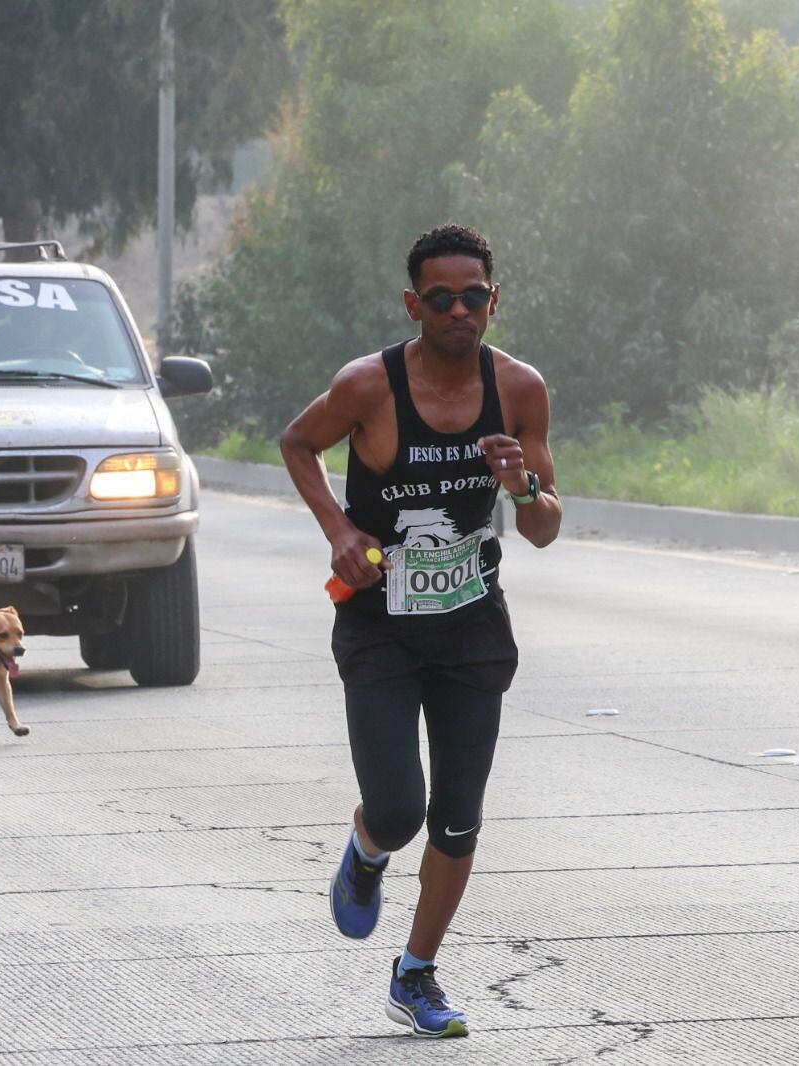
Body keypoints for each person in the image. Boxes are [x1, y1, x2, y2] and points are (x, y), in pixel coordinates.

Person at [279, 224, 562, 1038]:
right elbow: (299, 443)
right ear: (414, 303)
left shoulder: (520, 390)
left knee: (459, 814)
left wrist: (524, 488)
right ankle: (369, 849)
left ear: (494, 300)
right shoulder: (369, 386)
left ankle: (417, 972)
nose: (460, 311)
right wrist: (337, 528)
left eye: (475, 296)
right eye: (441, 299)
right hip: (380, 626)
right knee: (400, 808)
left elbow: (543, 526)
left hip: (473, 628)